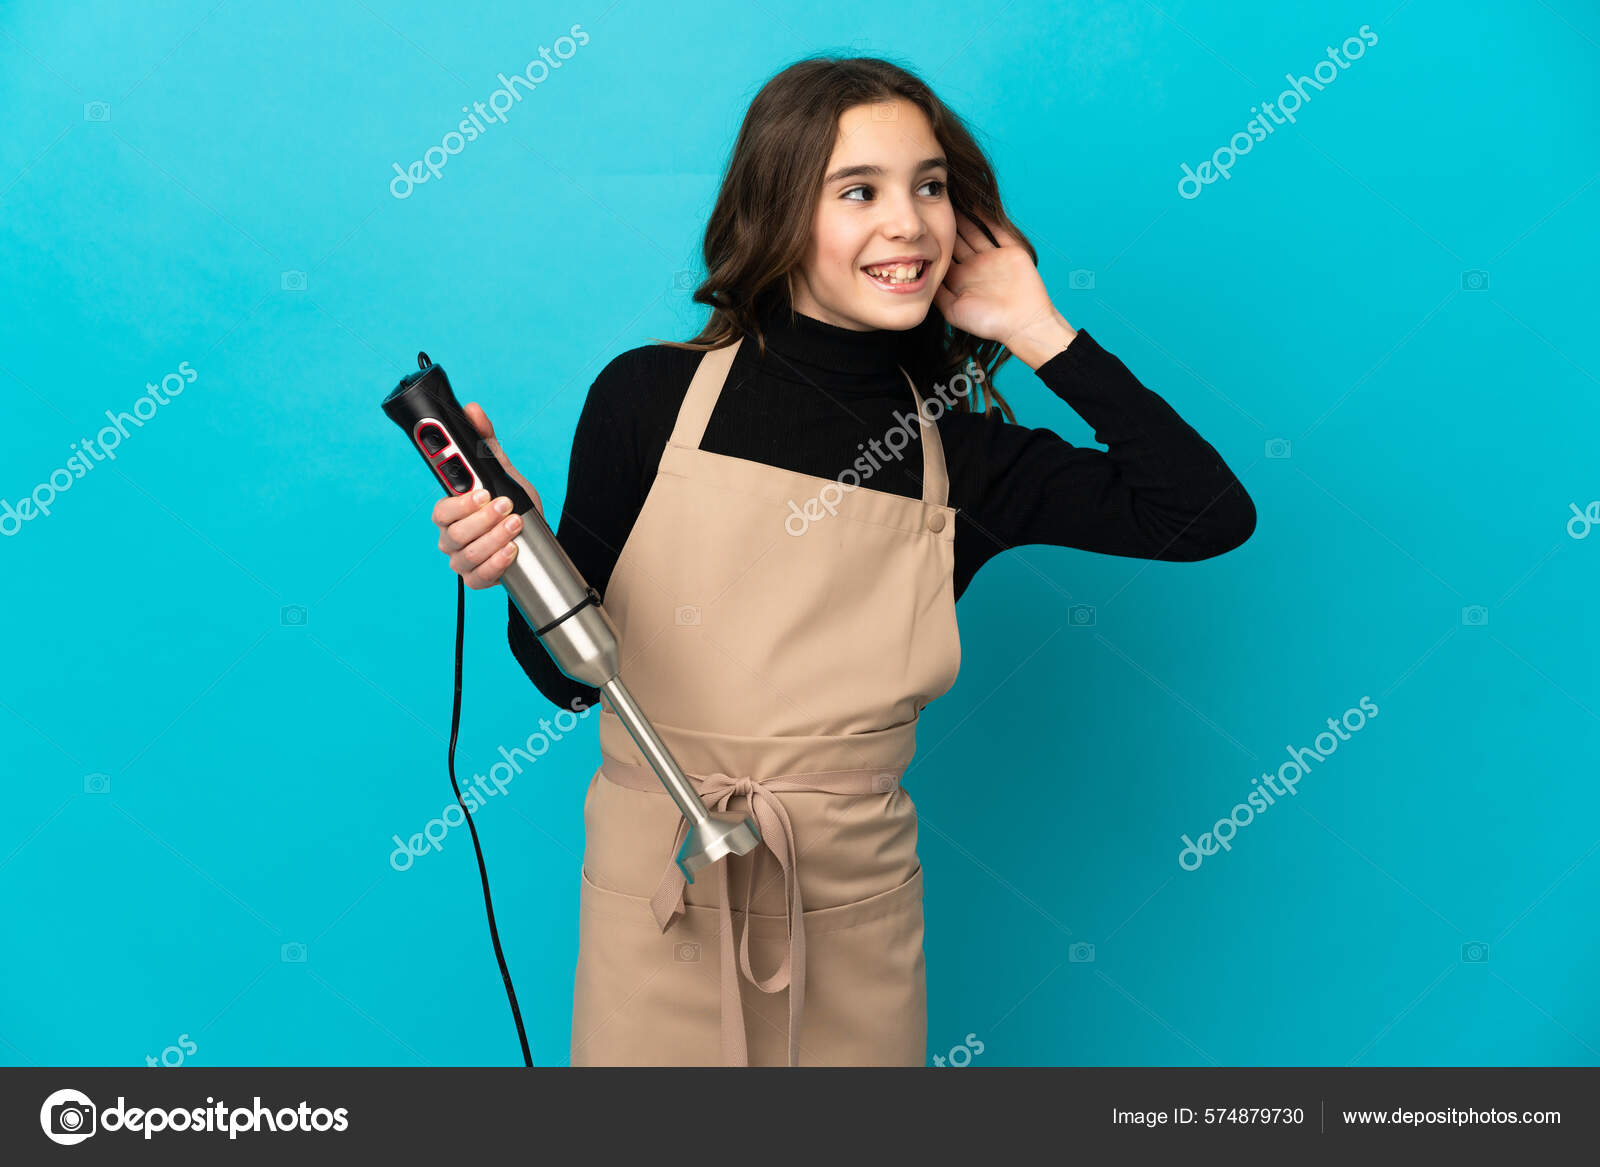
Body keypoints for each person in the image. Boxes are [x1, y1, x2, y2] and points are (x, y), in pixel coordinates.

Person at [428, 55, 1256, 1067]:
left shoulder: (968, 455)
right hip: (661, 892)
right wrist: (517, 565)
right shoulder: (646, 397)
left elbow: (1207, 513)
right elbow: (565, 685)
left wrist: (1037, 329)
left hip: (849, 917)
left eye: (931, 186)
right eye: (857, 190)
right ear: (779, 211)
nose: (907, 223)